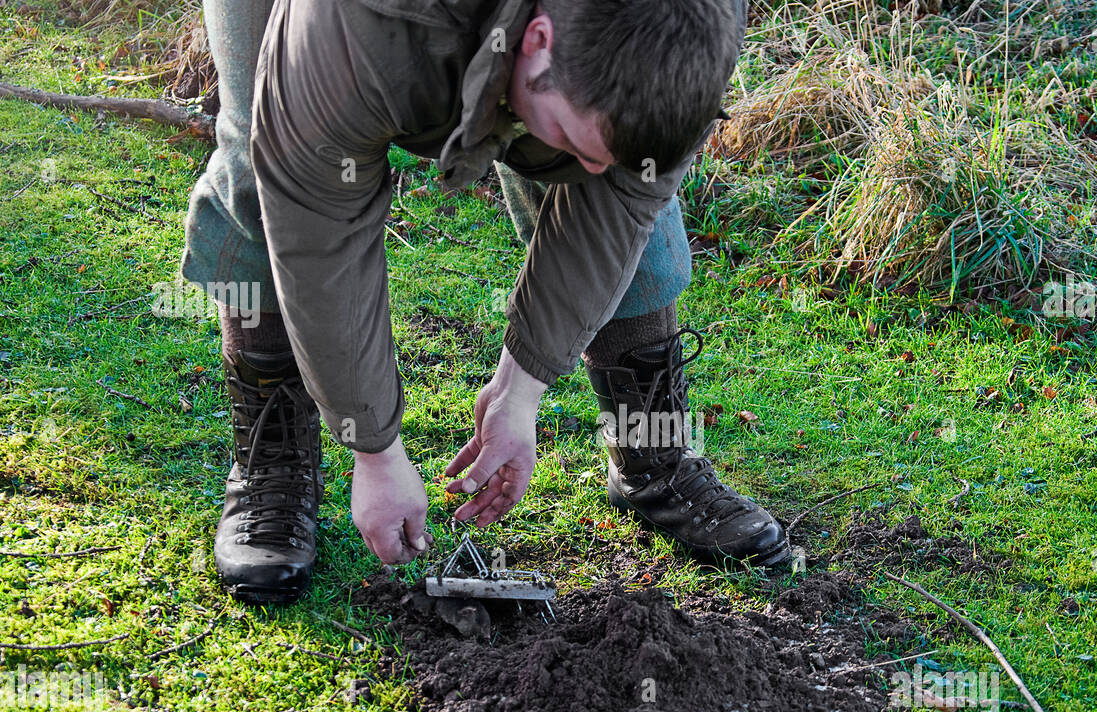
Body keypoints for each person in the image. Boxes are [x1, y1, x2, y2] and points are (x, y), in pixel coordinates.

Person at [182, 0, 790, 605]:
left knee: (627, 162)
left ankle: (652, 456)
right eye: (575, 141)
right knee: (263, 161)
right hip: (362, 29)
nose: (592, 169)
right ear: (538, 40)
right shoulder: (355, 26)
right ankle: (275, 466)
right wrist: (373, 448)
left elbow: (621, 201)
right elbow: (317, 223)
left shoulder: (697, 29)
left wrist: (520, 391)